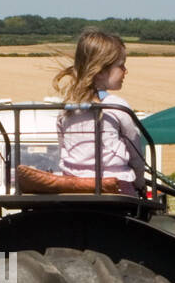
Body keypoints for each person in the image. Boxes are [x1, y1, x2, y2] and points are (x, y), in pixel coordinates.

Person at [53, 29, 145, 194]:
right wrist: (139, 180)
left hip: (73, 185)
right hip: (116, 186)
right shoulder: (117, 107)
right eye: (121, 65)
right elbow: (135, 152)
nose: (125, 71)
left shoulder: (66, 109)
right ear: (101, 71)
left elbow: (62, 150)